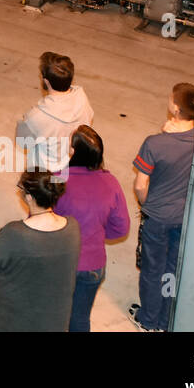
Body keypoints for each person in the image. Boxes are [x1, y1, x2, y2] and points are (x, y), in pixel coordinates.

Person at [129, 82, 194, 332]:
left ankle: (147, 319)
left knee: (152, 268)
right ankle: (164, 320)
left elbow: (140, 184)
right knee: (171, 268)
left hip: (157, 217)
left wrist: (146, 203)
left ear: (176, 108)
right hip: (183, 216)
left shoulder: (154, 144)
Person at [0, 170, 81, 332]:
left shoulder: (14, 233)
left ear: (29, 197)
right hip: (52, 322)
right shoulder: (72, 228)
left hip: (9, 320)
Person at [56, 125, 130, 332]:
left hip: (60, 262)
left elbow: (39, 217)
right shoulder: (111, 183)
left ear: (74, 152)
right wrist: (96, 233)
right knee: (79, 318)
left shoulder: (58, 179)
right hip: (93, 266)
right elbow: (121, 228)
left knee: (53, 313)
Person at [17, 52, 94, 173]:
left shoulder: (37, 115)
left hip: (43, 172)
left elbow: (23, 142)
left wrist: (23, 122)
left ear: (46, 81)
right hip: (73, 166)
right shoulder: (82, 99)